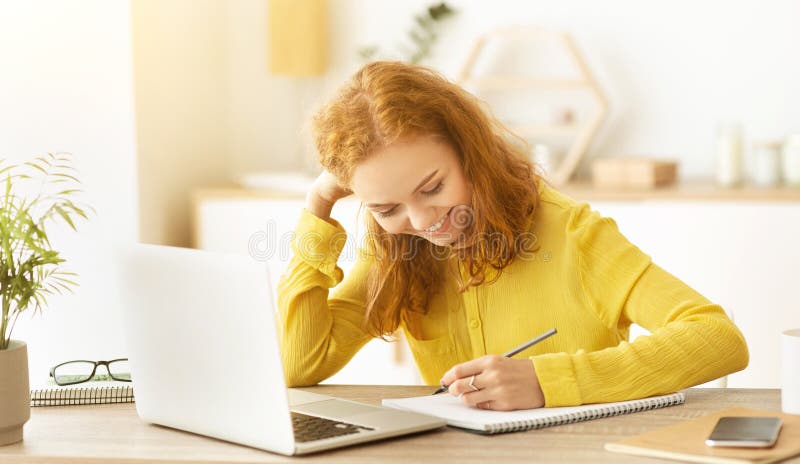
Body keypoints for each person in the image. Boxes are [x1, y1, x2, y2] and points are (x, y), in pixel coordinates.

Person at [277, 61, 748, 411]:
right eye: (386, 208)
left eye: (432, 187)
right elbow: (301, 363)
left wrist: (550, 381)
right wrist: (318, 205)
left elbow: (718, 337)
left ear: (470, 151)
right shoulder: (401, 251)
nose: (422, 222)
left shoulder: (573, 234)